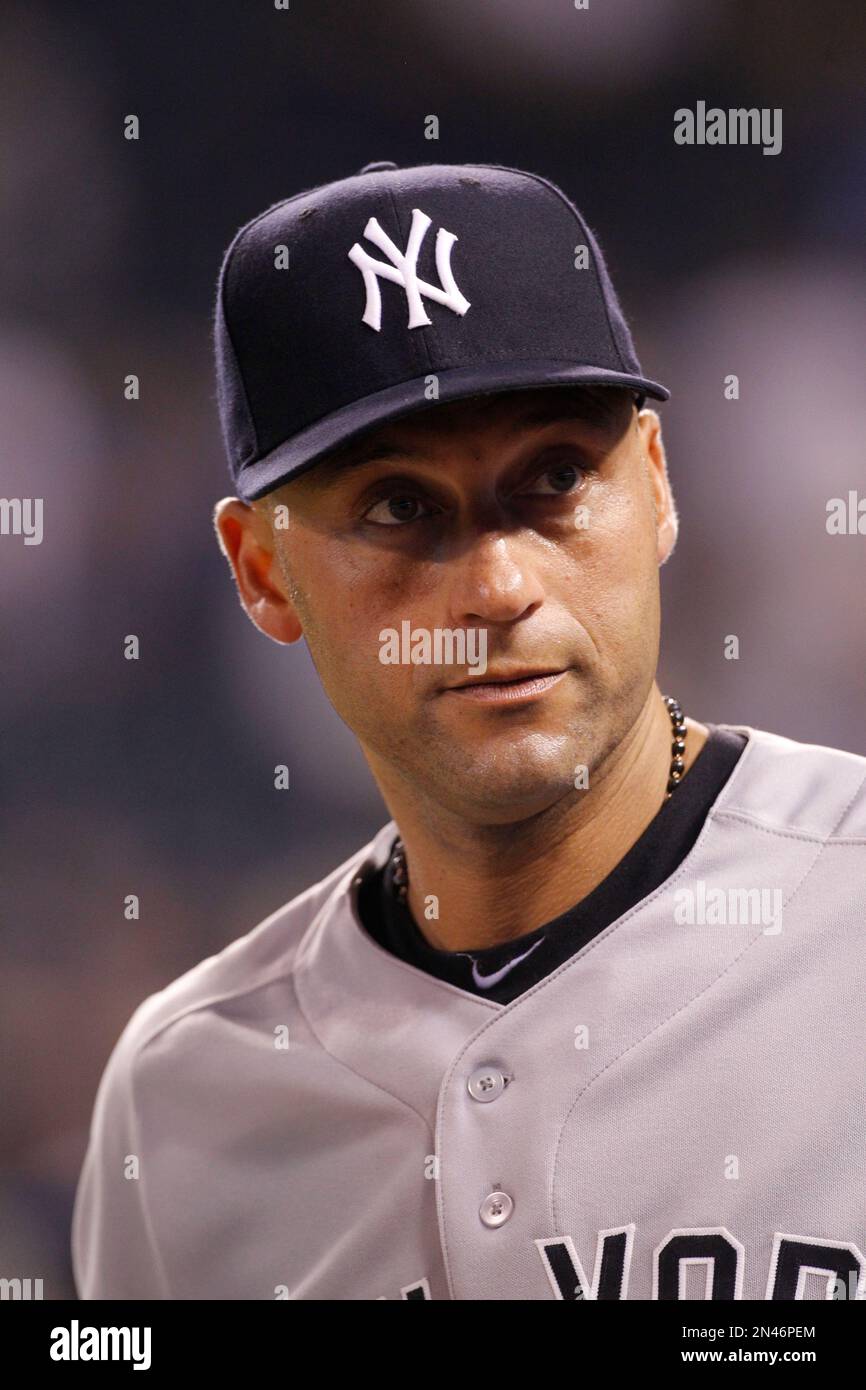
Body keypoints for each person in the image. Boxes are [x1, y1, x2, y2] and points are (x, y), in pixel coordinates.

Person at [72, 161, 866, 1301]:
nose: (498, 584)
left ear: (654, 483)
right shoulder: (185, 1095)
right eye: (398, 505)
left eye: (552, 476)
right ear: (262, 572)